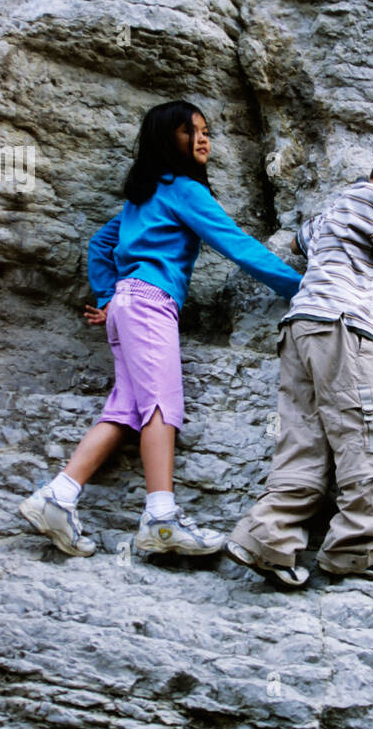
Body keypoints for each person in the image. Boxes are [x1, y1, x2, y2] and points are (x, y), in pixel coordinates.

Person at [19, 101, 302, 561]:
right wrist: (301, 287)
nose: (205, 139)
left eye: (207, 130)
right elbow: (237, 244)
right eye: (192, 131)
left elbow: (102, 242)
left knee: (125, 410)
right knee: (161, 407)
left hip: (128, 304)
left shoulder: (143, 197)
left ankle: (58, 496)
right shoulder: (184, 190)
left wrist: (108, 295)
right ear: (166, 140)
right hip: (151, 305)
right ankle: (161, 519)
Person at [227, 129, 373, 588]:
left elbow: (297, 244)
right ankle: (356, 551)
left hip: (301, 327)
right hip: (344, 326)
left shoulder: (333, 210)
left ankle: (266, 540)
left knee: (304, 437)